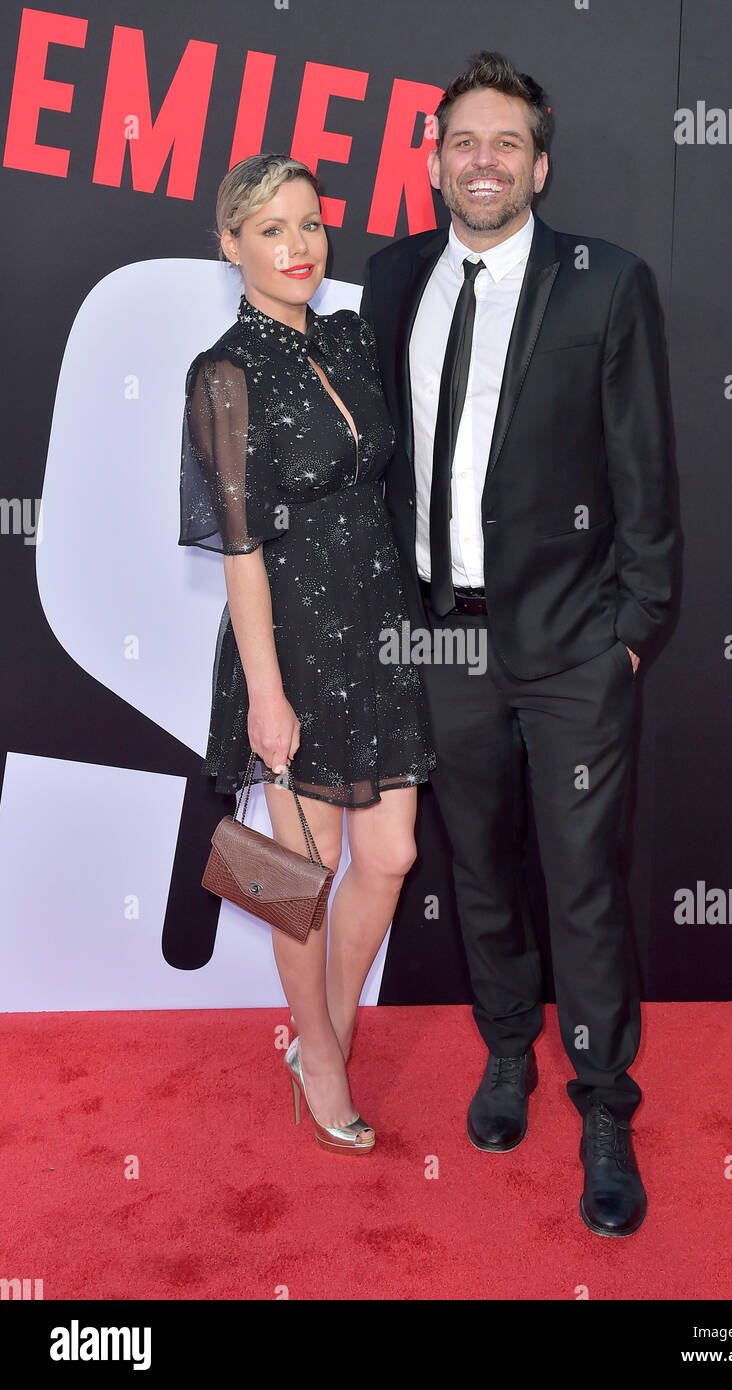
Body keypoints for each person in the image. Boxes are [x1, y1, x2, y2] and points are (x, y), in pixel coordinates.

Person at [360, 53, 677, 1231]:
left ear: (538, 166)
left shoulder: (605, 284)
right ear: (434, 161)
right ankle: (508, 1054)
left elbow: (645, 473)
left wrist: (630, 633)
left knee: (581, 885)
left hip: (569, 647)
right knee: (480, 870)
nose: (480, 160)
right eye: (461, 141)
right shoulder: (394, 277)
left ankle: (601, 1100)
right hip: (442, 639)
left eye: (504, 143)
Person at [179, 153, 436, 1155]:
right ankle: (323, 1058)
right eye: (271, 230)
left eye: (310, 224)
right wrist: (265, 696)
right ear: (231, 246)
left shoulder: (346, 335)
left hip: (378, 626)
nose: (297, 247)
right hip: (288, 639)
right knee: (300, 870)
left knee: (391, 854)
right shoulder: (224, 374)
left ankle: (323, 1024)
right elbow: (241, 550)